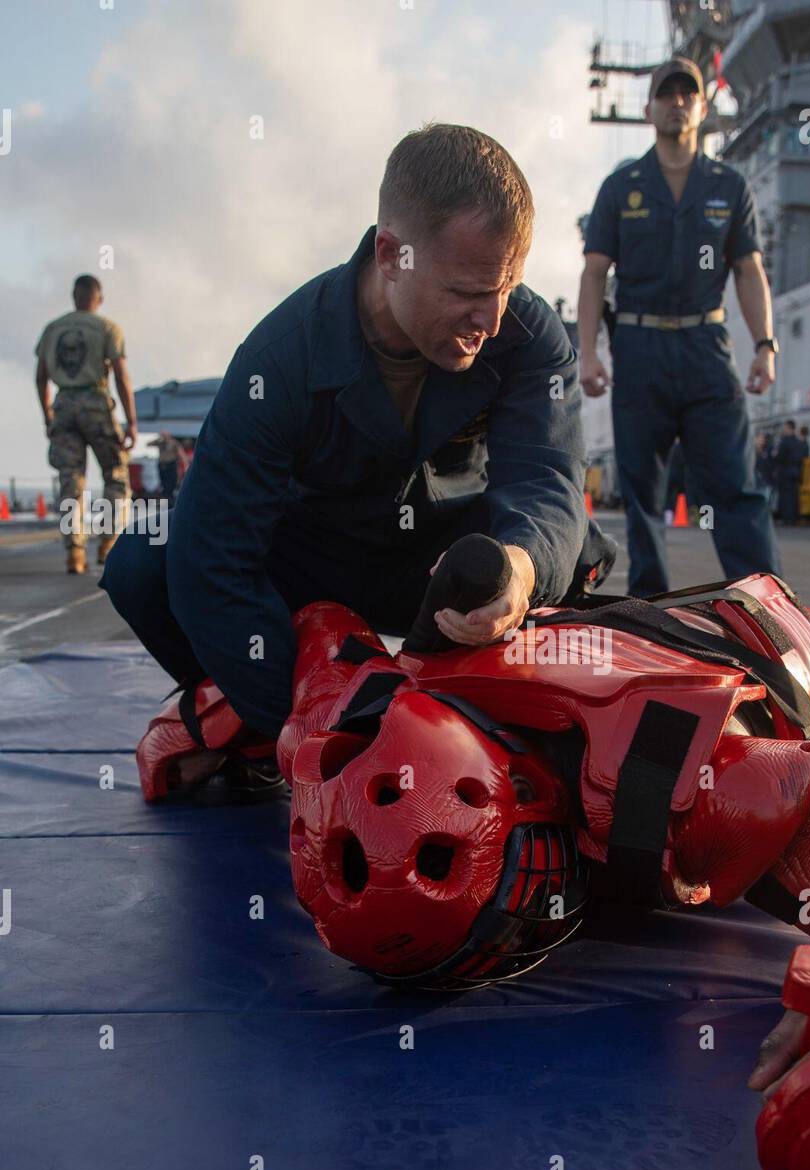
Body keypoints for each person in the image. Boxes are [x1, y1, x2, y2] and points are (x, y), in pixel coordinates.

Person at [164, 541, 810, 1170]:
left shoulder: (705, 783)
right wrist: (205, 721)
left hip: (793, 673)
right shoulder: (366, 702)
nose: (529, 922)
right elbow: (322, 643)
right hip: (645, 627)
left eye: (514, 898)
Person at [103, 123, 616, 778]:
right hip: (311, 572)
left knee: (565, 550)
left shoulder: (525, 334)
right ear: (389, 254)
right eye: (465, 292)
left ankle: (500, 724)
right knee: (147, 565)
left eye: (507, 285)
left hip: (440, 573)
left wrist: (519, 571)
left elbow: (546, 481)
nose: (490, 320)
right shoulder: (278, 360)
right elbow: (214, 559)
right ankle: (265, 727)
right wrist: (318, 734)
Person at [578, 56, 781, 596]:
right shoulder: (621, 188)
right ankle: (650, 616)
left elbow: (748, 269)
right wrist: (589, 353)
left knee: (737, 487)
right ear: (649, 109)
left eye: (686, 94)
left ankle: (768, 610)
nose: (676, 102)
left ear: (702, 106)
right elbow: (595, 271)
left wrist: (764, 345)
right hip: (639, 346)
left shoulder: (729, 187)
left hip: (705, 348)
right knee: (644, 498)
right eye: (666, 95)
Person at [35, 274, 137, 574]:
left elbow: (40, 377)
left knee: (71, 481)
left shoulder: (53, 329)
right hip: (95, 403)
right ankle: (109, 543)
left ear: (74, 296)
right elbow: (121, 375)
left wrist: (48, 416)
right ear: (99, 298)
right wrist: (131, 421)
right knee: (116, 475)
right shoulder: (107, 328)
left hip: (64, 405)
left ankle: (74, 553)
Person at [774, 418, 807, 525]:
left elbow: (780, 457)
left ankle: (787, 518)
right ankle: (794, 518)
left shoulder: (784, 442)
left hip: (785, 471)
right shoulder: (799, 442)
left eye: (784, 428)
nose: (783, 430)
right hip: (796, 471)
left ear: (788, 428)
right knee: (794, 495)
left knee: (785, 496)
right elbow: (803, 457)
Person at [156, 432, 186, 504]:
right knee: (164, 484)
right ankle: (165, 500)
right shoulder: (160, 443)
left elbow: (181, 454)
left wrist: (185, 464)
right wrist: (159, 439)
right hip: (162, 466)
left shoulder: (174, 443)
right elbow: (148, 444)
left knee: (171, 483)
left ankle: (170, 501)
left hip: (171, 466)